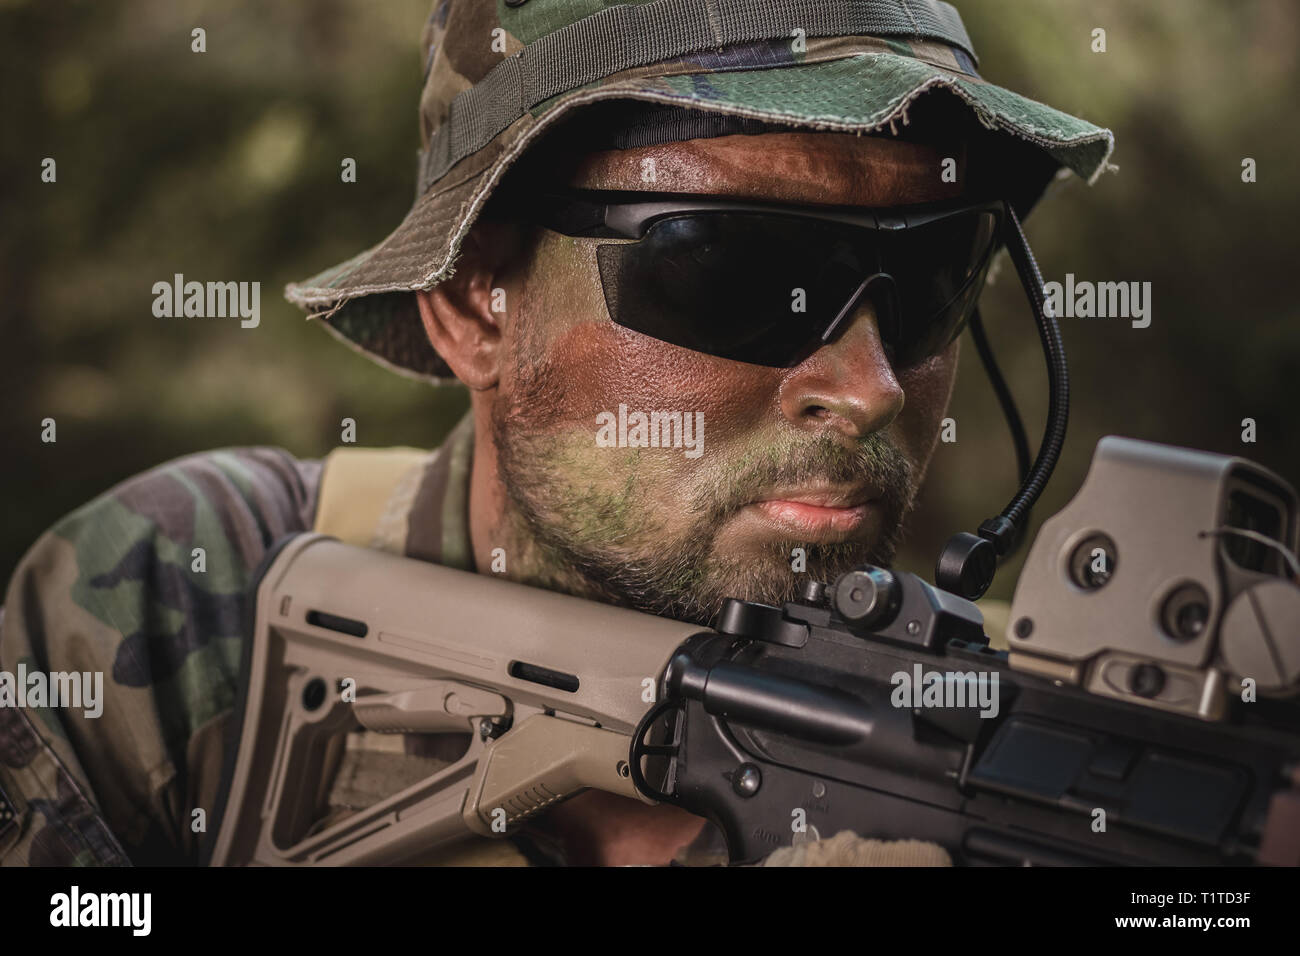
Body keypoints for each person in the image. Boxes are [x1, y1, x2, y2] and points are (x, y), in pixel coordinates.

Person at [0, 0, 1112, 867]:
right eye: (735, 270)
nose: (866, 385)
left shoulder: (1066, 755)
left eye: (930, 276)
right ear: (474, 299)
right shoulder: (183, 607)